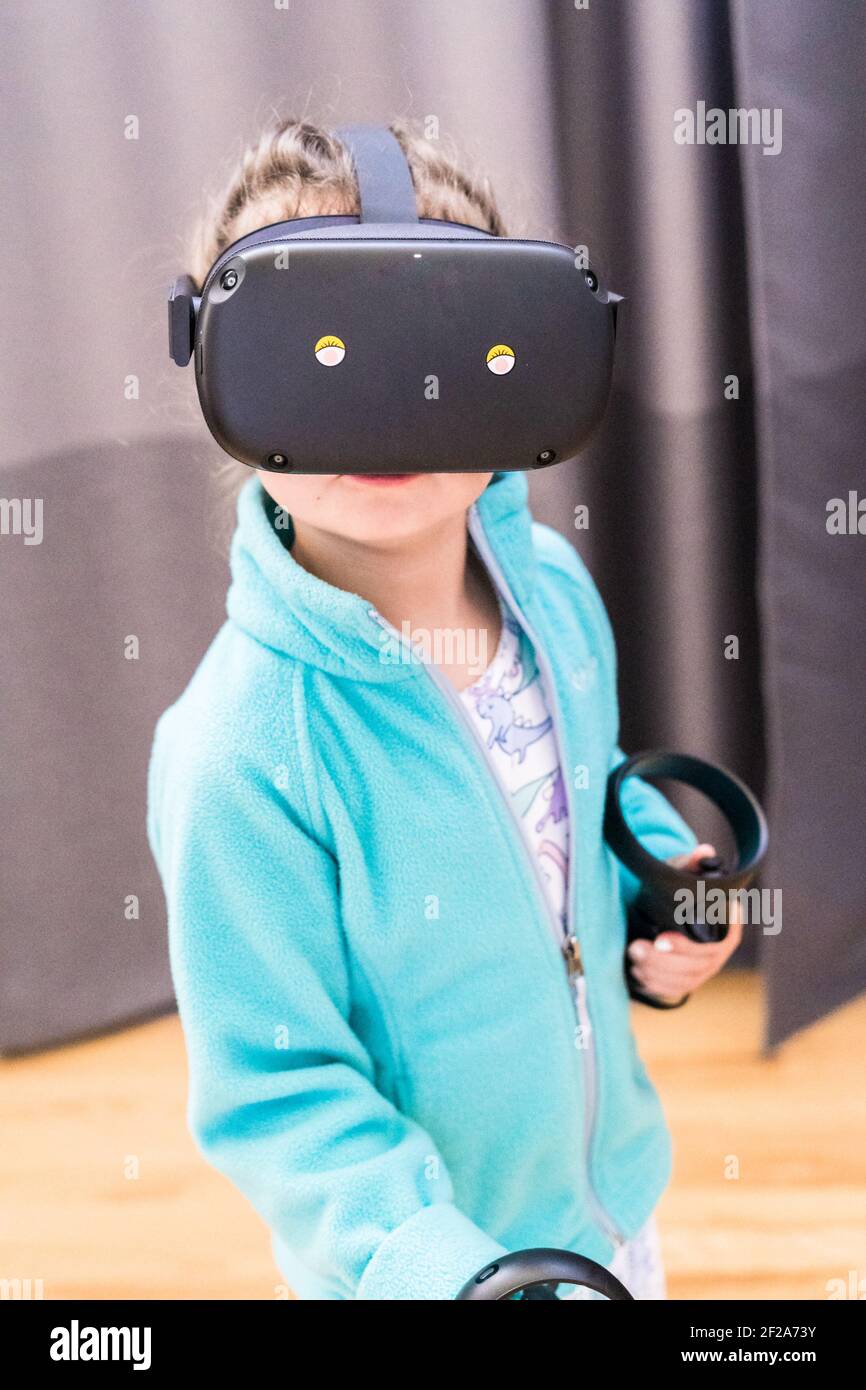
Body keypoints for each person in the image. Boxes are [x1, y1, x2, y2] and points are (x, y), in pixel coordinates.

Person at [147, 117, 742, 1301]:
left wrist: (656, 883)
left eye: (438, 346)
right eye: (322, 351)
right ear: (222, 366)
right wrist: (453, 1275)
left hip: (608, 1217)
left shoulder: (554, 598)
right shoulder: (238, 753)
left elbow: (580, 789)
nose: (389, 404)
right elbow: (280, 1095)